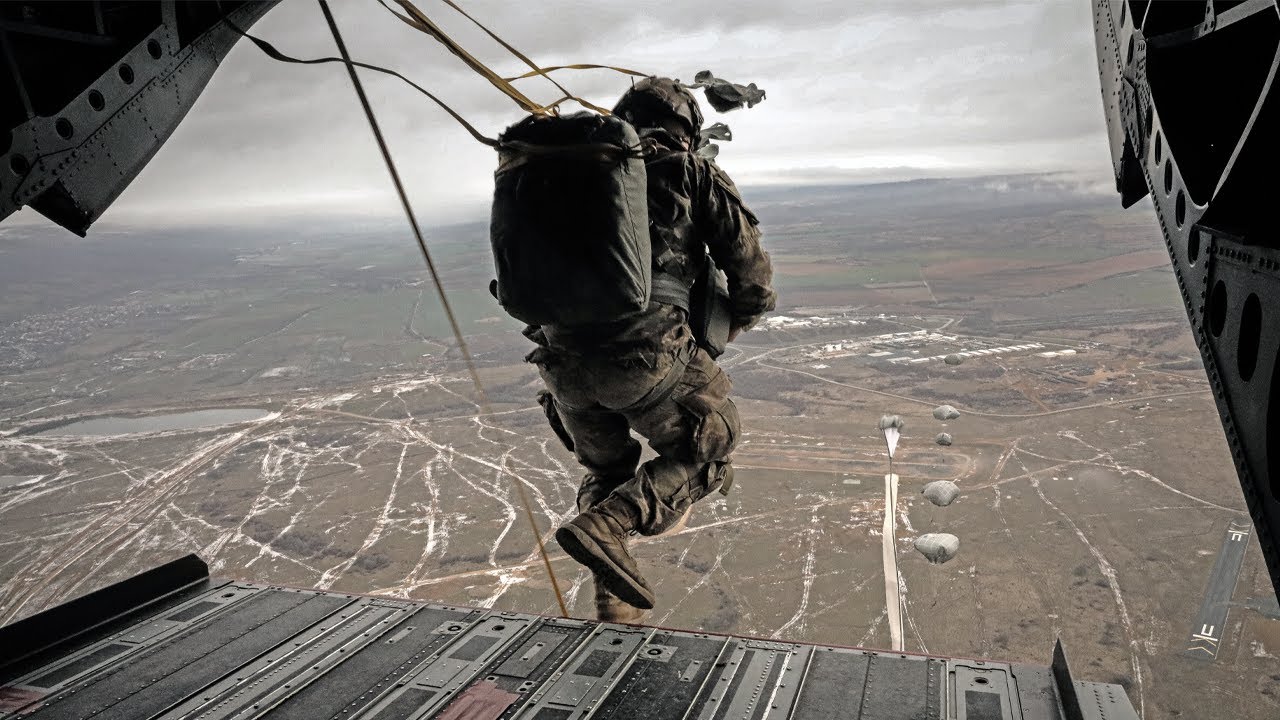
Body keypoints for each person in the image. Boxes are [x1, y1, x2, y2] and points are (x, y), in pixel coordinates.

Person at [524, 77, 776, 622]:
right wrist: (735, 325)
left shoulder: (566, 177)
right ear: (686, 129)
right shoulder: (688, 169)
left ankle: (612, 594)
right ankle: (608, 528)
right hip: (645, 356)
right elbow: (751, 274)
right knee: (712, 449)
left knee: (608, 470)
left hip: (562, 367)